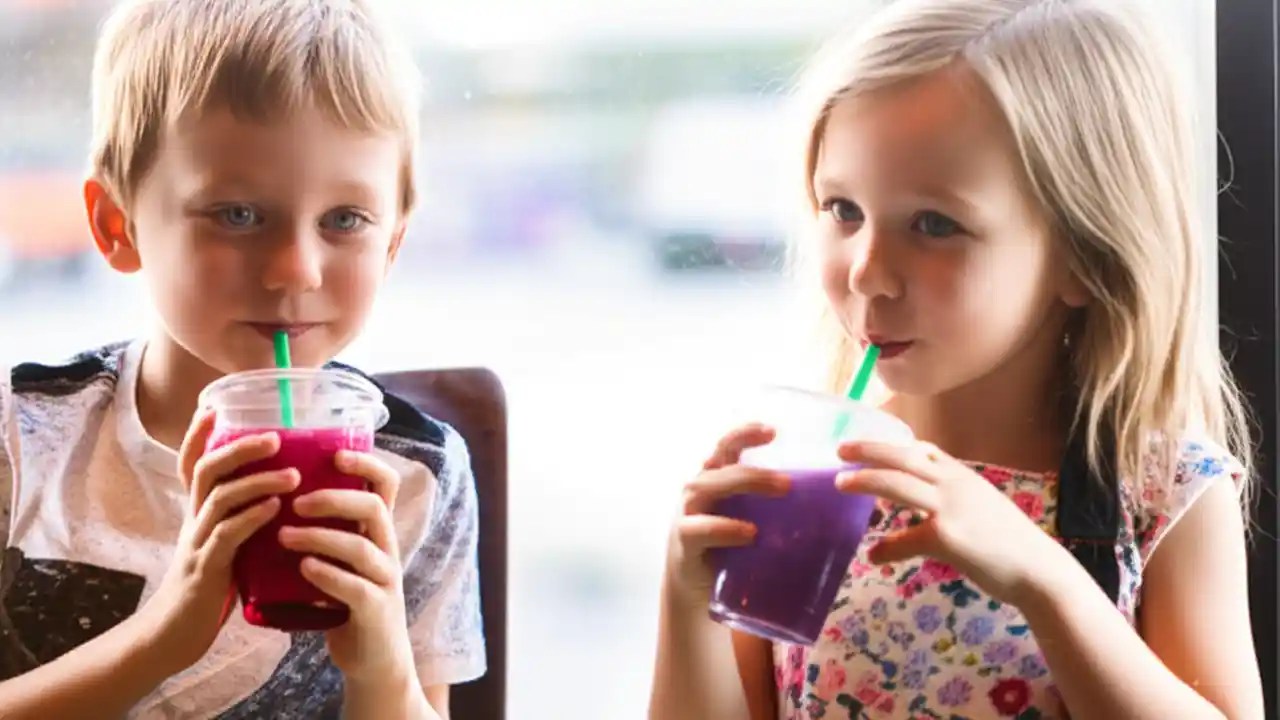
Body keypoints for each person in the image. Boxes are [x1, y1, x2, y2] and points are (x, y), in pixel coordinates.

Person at [650, 1, 1266, 718]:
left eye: (935, 225)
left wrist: (1045, 579)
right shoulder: (818, 472)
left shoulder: (1161, 494)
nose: (867, 273)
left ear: (1082, 255)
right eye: (843, 210)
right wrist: (687, 596)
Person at [0, 1, 485, 717]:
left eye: (344, 220)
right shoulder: (23, 441)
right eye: (238, 215)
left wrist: (382, 670)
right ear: (117, 224)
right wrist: (165, 634)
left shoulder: (415, 478)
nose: (296, 270)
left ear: (393, 242)